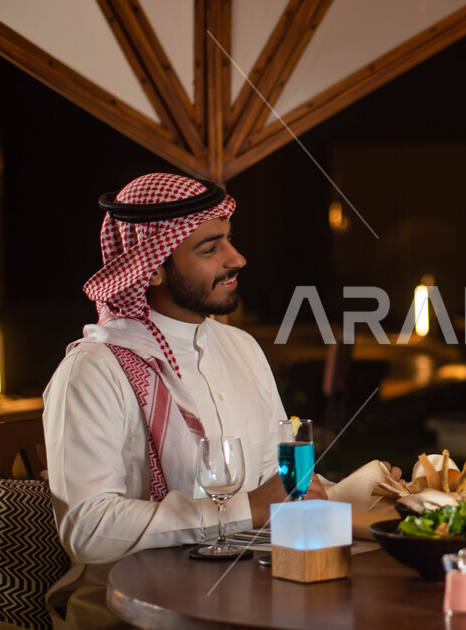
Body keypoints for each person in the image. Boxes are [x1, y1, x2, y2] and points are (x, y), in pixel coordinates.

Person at [41, 173, 329, 628]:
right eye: (211, 249)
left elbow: (279, 480)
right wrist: (246, 508)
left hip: (252, 597)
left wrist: (372, 493)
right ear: (151, 267)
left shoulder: (242, 349)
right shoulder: (95, 371)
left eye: (229, 241)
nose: (237, 259)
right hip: (134, 614)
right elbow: (88, 530)